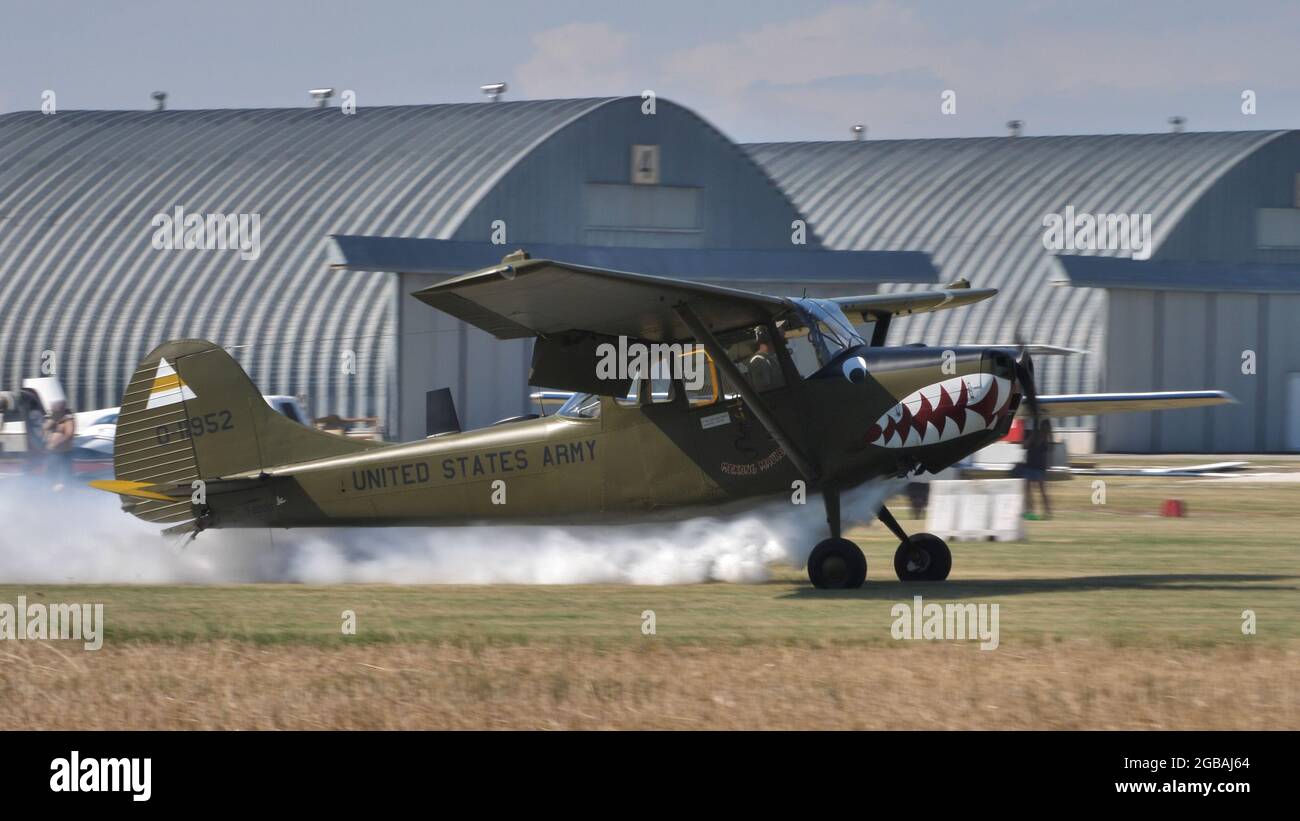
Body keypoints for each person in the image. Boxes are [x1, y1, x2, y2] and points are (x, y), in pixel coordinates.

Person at [1021, 419, 1053, 519]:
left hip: (1039, 466)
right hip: (1030, 464)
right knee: (1027, 489)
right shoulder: (1029, 432)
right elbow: (1024, 445)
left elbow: (1047, 447)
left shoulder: (1046, 436)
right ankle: (1030, 510)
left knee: (1042, 490)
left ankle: (1048, 512)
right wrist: (1032, 435)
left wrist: (1041, 433)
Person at [42, 401, 76, 490]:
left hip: (64, 453)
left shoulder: (68, 421)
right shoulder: (55, 419)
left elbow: (69, 434)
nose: (53, 412)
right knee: (50, 474)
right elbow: (45, 428)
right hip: (53, 453)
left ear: (60, 410)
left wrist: (56, 442)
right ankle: (50, 491)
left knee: (64, 478)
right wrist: (51, 421)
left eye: (54, 411)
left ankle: (64, 494)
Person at [746, 327, 782, 392]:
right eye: (781, 339)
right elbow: (763, 390)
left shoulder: (772, 357)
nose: (784, 342)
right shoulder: (758, 360)